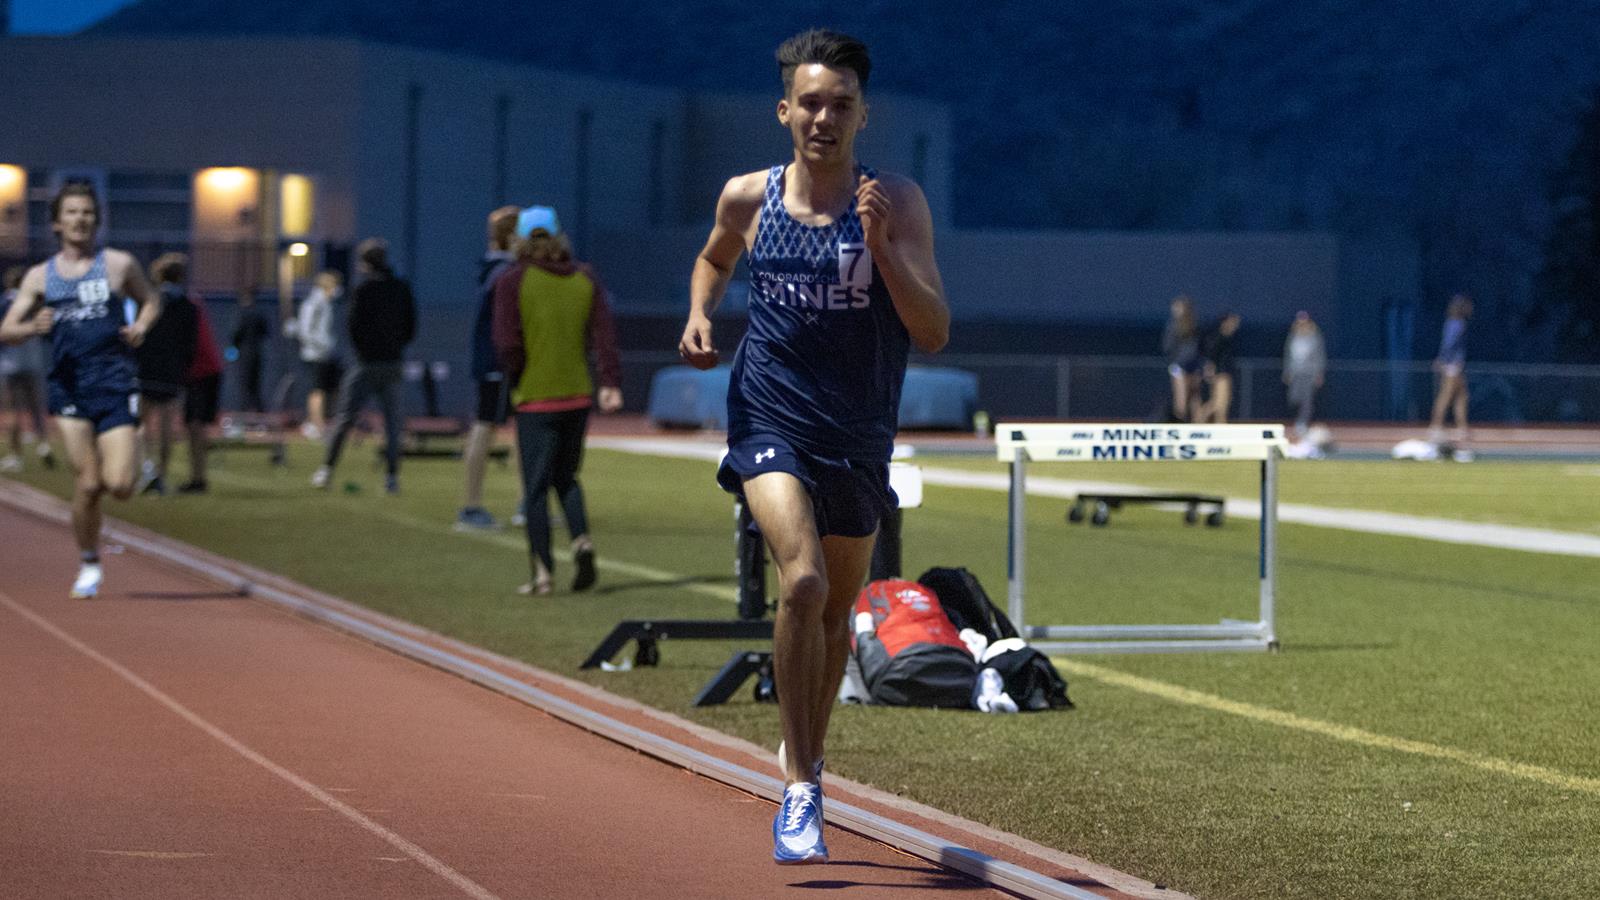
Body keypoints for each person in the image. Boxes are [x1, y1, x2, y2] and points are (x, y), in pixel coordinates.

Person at [677, 29, 949, 865]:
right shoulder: (747, 197)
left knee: (835, 614)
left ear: (865, 114)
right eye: (811, 103)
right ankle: (798, 789)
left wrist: (880, 253)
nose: (823, 117)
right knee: (800, 581)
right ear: (785, 109)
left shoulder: (894, 202)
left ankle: (810, 757)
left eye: (841, 104)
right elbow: (713, 257)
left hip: (859, 429)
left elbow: (933, 330)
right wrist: (699, 313)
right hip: (769, 414)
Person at [0, 181, 162, 598]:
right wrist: (31, 326)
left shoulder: (118, 265)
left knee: (122, 486)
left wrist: (141, 326)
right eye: (71, 212)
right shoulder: (41, 276)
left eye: (87, 212)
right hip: (70, 389)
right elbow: (8, 329)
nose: (80, 219)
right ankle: (89, 563)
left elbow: (151, 300)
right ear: (57, 222)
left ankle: (133, 446)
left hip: (114, 383)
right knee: (89, 485)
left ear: (97, 219)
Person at [492, 206, 622, 593]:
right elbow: (604, 335)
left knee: (534, 488)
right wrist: (609, 381)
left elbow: (507, 343)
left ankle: (542, 573)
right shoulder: (585, 278)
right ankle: (581, 540)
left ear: (520, 239)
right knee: (567, 478)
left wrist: (517, 378)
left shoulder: (513, 281)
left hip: (535, 397)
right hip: (578, 395)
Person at [312, 238, 416, 494]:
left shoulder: (363, 290)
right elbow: (411, 325)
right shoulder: (401, 288)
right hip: (392, 363)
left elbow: (353, 327)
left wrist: (365, 351)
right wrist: (395, 346)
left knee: (344, 418)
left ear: (365, 263)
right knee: (392, 424)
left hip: (366, 364)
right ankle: (392, 478)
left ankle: (326, 470)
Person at [457, 205, 522, 530]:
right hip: (498, 363)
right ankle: (470, 507)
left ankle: (528, 501)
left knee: (523, 430)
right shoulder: (504, 274)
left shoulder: (495, 269)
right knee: (485, 428)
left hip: (495, 362)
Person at [134, 253, 199, 496]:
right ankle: (160, 474)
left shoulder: (149, 301)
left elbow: (137, 333)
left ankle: (147, 468)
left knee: (140, 422)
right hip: (172, 370)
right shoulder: (188, 305)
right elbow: (190, 342)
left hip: (147, 368)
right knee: (165, 426)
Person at [0, 265, 55, 472]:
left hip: (10, 363)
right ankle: (43, 445)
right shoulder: (35, 304)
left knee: (12, 410)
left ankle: (16, 456)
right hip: (33, 361)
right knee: (36, 408)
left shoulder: (5, 303)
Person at [179, 278, 225, 494]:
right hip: (205, 369)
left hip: (201, 371)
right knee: (196, 425)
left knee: (195, 425)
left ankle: (198, 477)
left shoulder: (185, 305)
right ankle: (198, 476)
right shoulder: (192, 301)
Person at [293, 270, 343, 439]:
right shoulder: (313, 304)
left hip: (328, 355)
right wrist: (322, 345)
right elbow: (305, 330)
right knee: (317, 391)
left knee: (333, 390)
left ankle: (328, 423)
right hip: (315, 355)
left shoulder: (327, 304)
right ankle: (317, 426)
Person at [1428, 293, 1473, 452]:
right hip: (1452, 365)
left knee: (1461, 395)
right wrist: (1443, 359)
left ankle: (1461, 427)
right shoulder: (1458, 324)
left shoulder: (1452, 323)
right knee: (1446, 395)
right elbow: (1449, 344)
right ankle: (1436, 426)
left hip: (1454, 364)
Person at [1282, 310, 1326, 438]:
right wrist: (1287, 372)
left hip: (1309, 373)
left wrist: (1319, 373)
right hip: (1296, 373)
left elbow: (1320, 356)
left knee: (1307, 400)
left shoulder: (1315, 337)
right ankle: (1299, 419)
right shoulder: (1293, 337)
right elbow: (1287, 356)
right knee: (1294, 398)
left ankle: (1301, 422)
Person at [229, 282, 270, 413]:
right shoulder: (259, 313)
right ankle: (259, 411)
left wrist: (231, 350)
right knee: (256, 384)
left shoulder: (241, 313)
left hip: (244, 351)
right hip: (257, 351)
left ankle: (244, 411)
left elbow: (235, 334)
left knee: (245, 383)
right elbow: (266, 332)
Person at [1161, 294, 1202, 422]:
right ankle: (1184, 424)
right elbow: (1168, 346)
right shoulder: (1175, 325)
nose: (1175, 310)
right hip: (1181, 365)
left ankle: (1193, 424)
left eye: (1178, 307)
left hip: (1189, 364)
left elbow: (1167, 346)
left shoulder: (1192, 325)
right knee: (1185, 397)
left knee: (1192, 397)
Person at [1198, 311, 1241, 423]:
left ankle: (1219, 426)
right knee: (1219, 403)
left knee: (1221, 406)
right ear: (1225, 322)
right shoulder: (1219, 337)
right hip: (1221, 373)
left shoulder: (1227, 337)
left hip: (1223, 372)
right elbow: (1210, 355)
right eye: (1234, 322)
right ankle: (1198, 420)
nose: (1236, 325)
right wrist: (1209, 369)